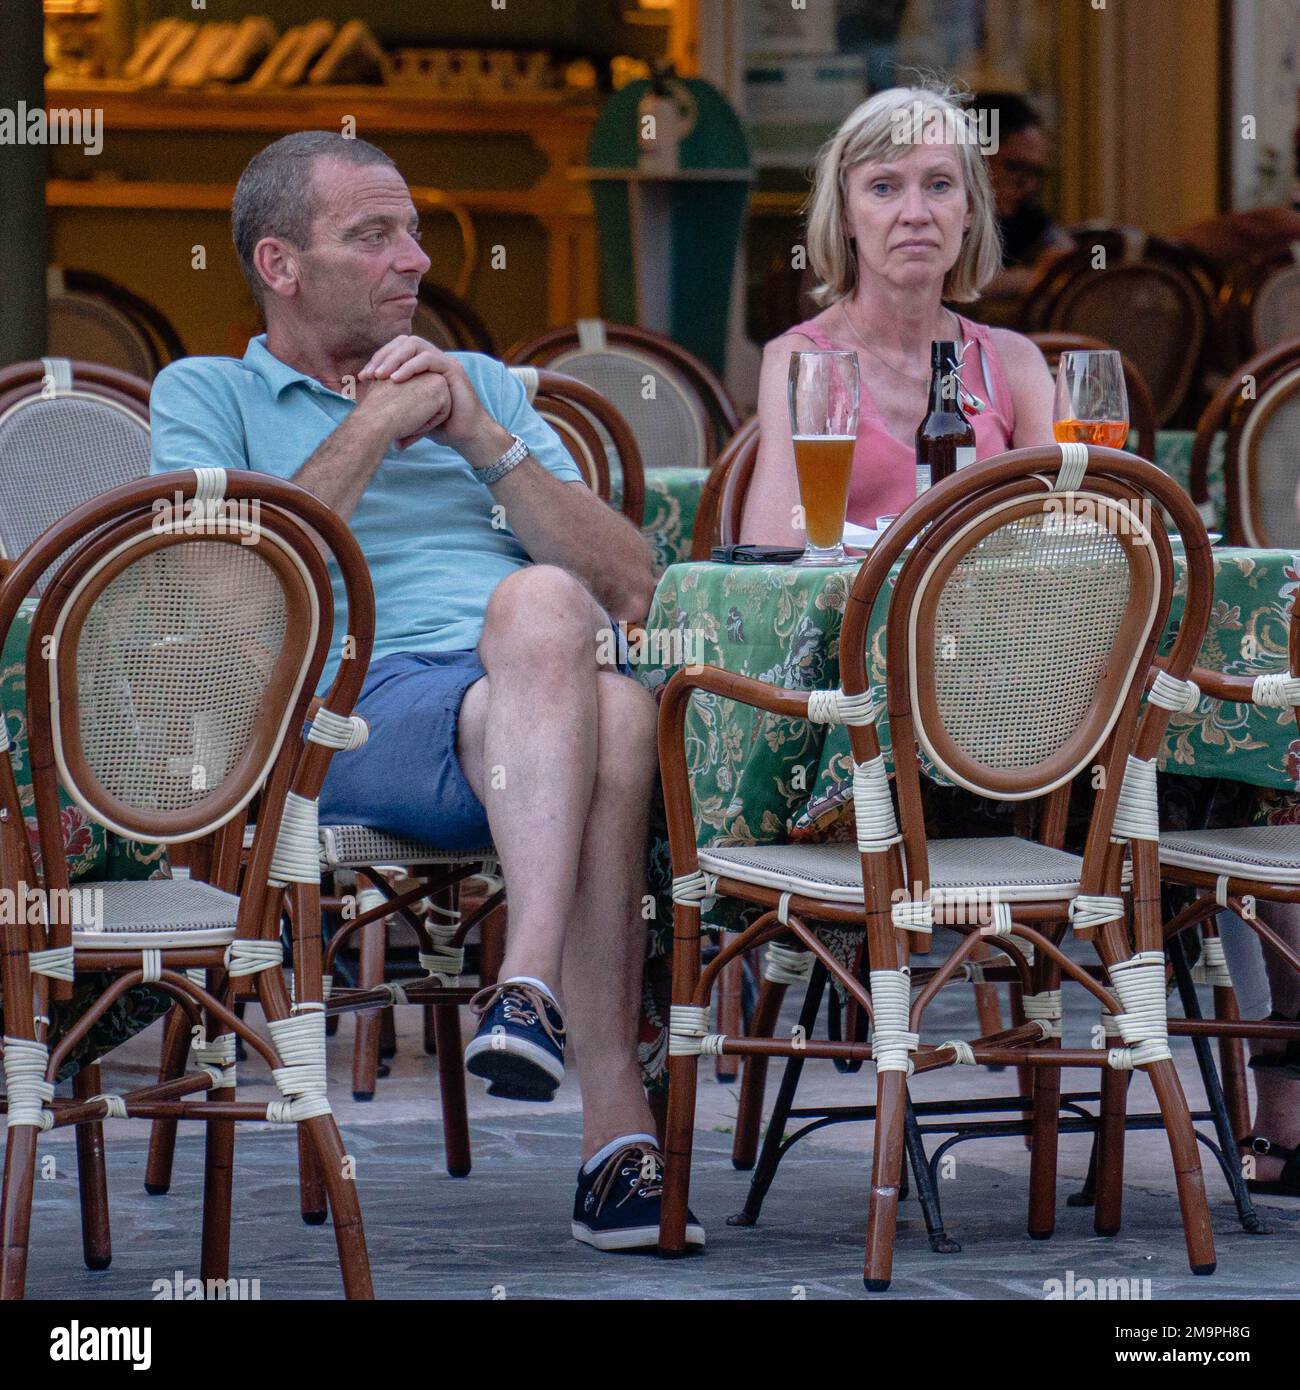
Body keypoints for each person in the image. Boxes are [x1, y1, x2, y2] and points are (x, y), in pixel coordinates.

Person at [149, 130, 703, 1253]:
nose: (416, 260)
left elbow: (635, 585)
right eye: (375, 235)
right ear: (280, 265)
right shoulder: (208, 393)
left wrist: (481, 436)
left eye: (411, 232)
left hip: (525, 699)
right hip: (352, 711)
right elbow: (224, 597)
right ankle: (608, 1117)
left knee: (575, 646)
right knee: (584, 666)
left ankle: (528, 993)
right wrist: (374, 424)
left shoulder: (482, 388)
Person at [741, 84, 1056, 543]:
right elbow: (771, 556)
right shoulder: (802, 360)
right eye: (884, 187)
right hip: (853, 615)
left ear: (969, 209)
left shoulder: (1012, 362)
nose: (916, 213)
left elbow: (1074, 535)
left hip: (997, 612)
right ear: (846, 215)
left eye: (939, 185)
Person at [977, 91, 1072, 295]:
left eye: (1036, 173)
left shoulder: (1027, 219)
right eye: (1015, 167)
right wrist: (1033, 278)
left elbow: (1070, 264)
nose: (1029, 185)